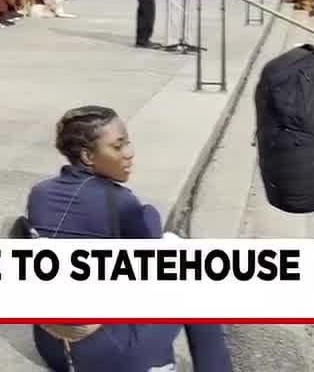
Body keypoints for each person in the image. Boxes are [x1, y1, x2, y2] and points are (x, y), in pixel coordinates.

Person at [25, 106, 233, 372]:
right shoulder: (121, 203)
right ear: (88, 156)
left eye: (128, 142)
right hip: (108, 357)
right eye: (117, 146)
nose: (129, 153)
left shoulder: (39, 193)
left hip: (53, 349)